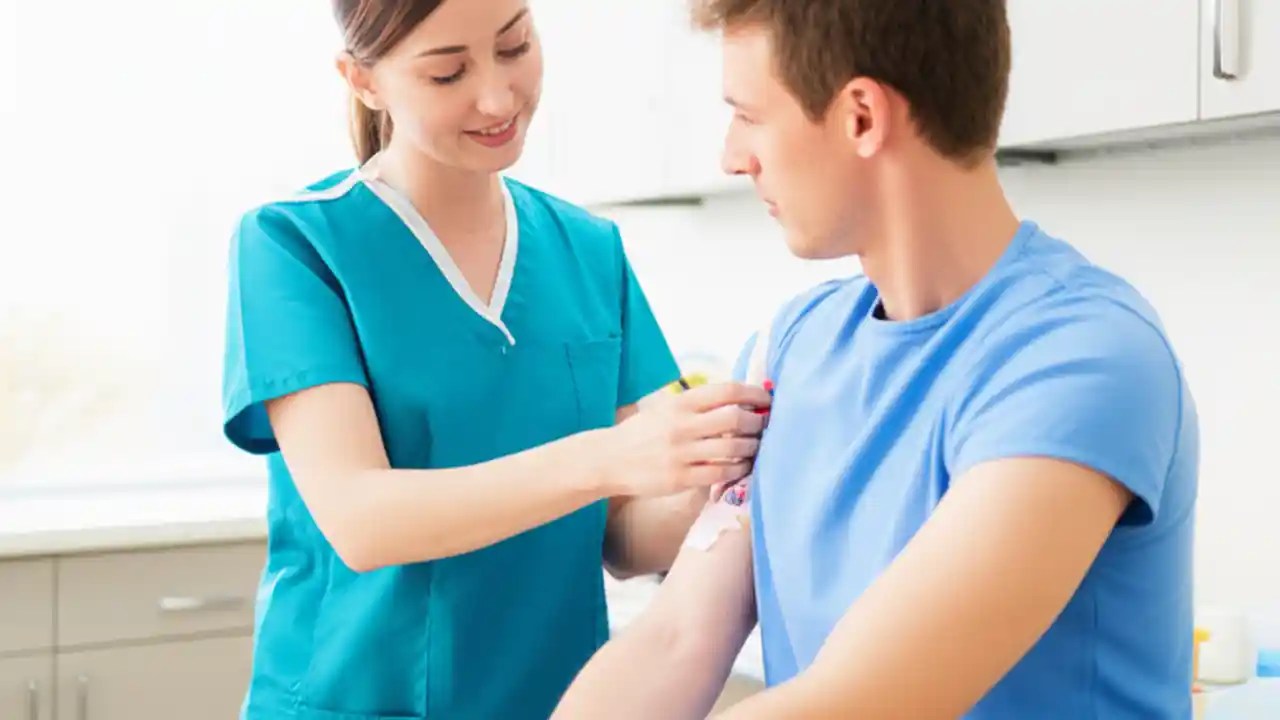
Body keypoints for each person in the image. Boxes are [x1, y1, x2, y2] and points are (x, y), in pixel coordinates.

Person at [552, 1, 1199, 718]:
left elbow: (855, 702)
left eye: (749, 114)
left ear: (861, 116)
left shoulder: (1082, 360)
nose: (733, 156)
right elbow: (674, 641)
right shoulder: (789, 347)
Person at [220, 1, 771, 718]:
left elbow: (626, 539)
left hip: (553, 700)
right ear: (363, 80)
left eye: (514, 48)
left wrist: (712, 473)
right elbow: (362, 521)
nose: (497, 96)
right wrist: (612, 456)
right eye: (448, 72)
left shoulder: (589, 250)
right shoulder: (296, 244)